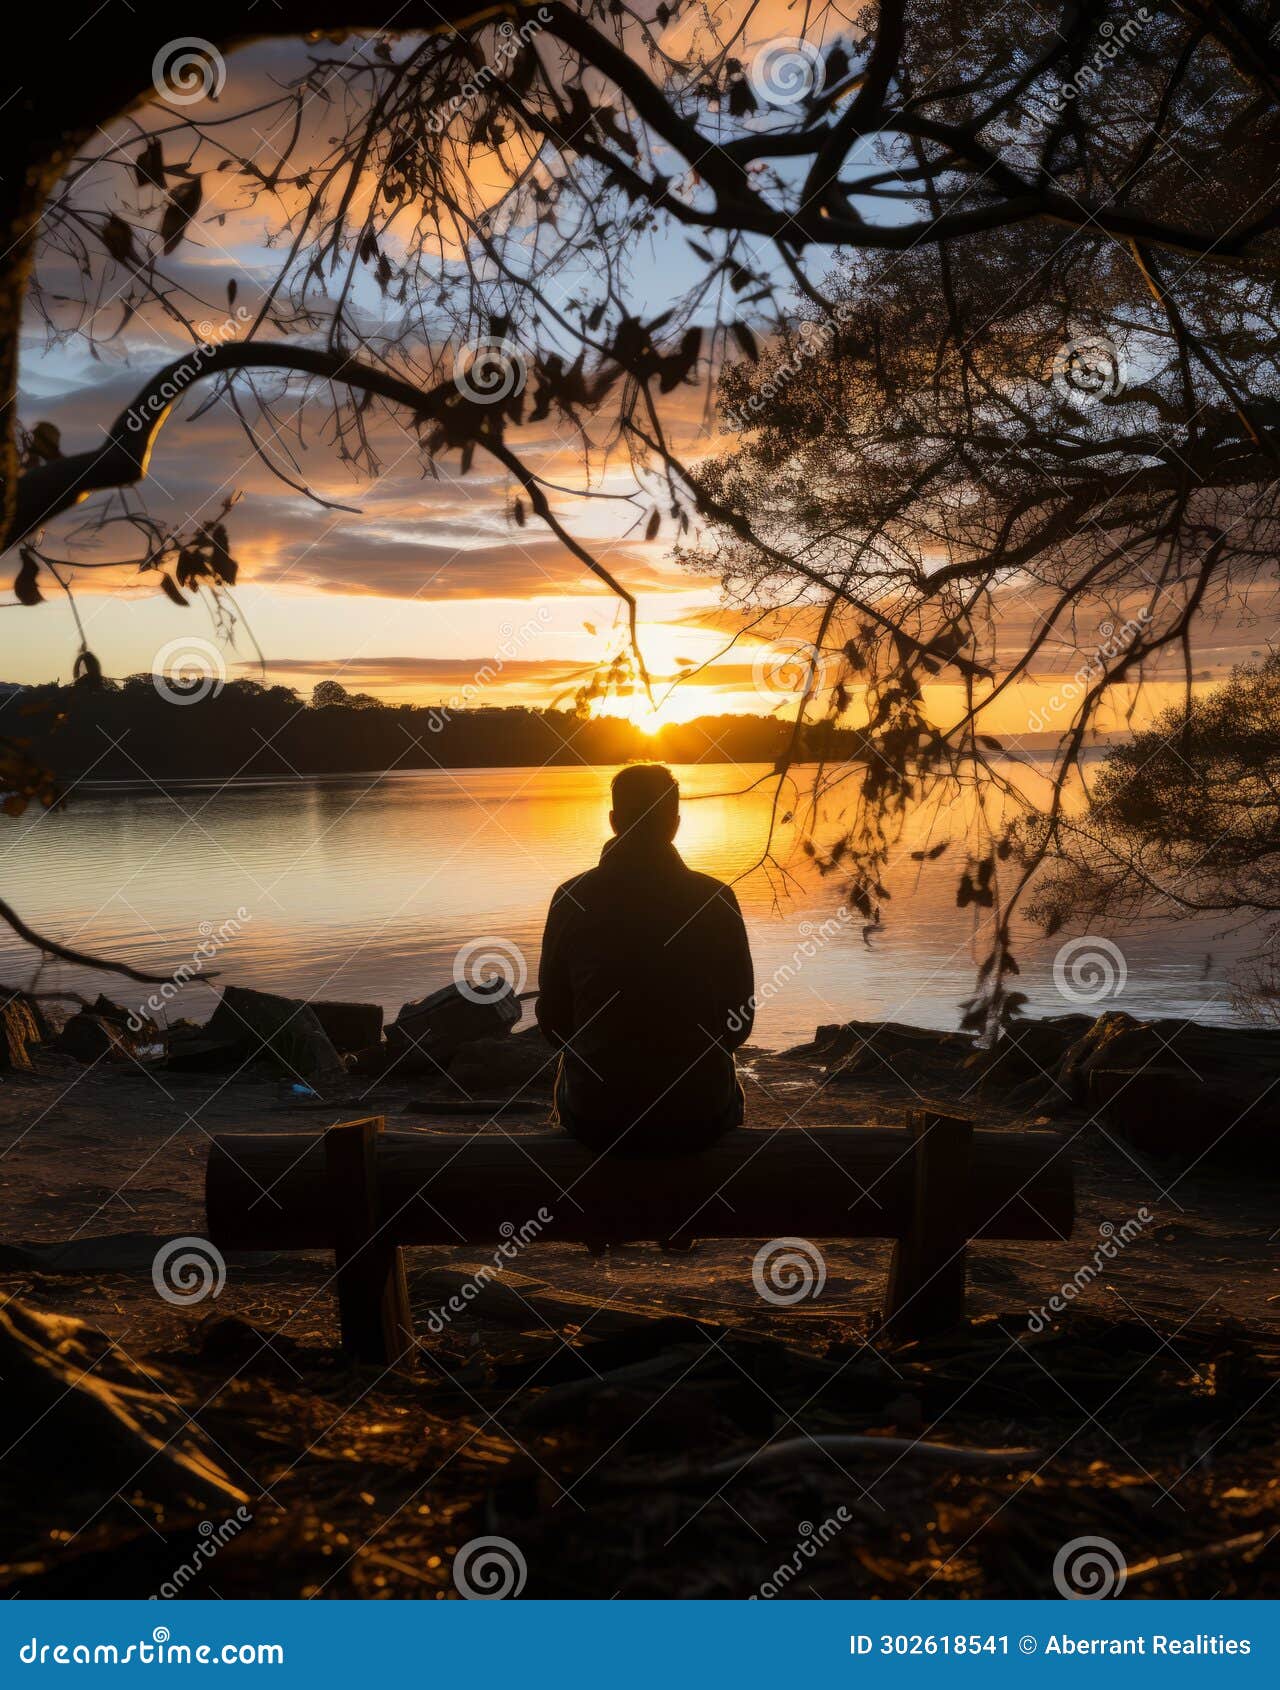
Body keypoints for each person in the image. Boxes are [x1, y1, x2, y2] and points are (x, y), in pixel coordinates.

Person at [536, 762, 754, 1156]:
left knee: (573, 1079)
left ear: (614, 821)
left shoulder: (571, 897)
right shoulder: (716, 898)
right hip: (697, 1113)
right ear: (675, 823)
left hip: (598, 1115)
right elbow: (739, 1021)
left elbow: (553, 1019)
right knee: (723, 1082)